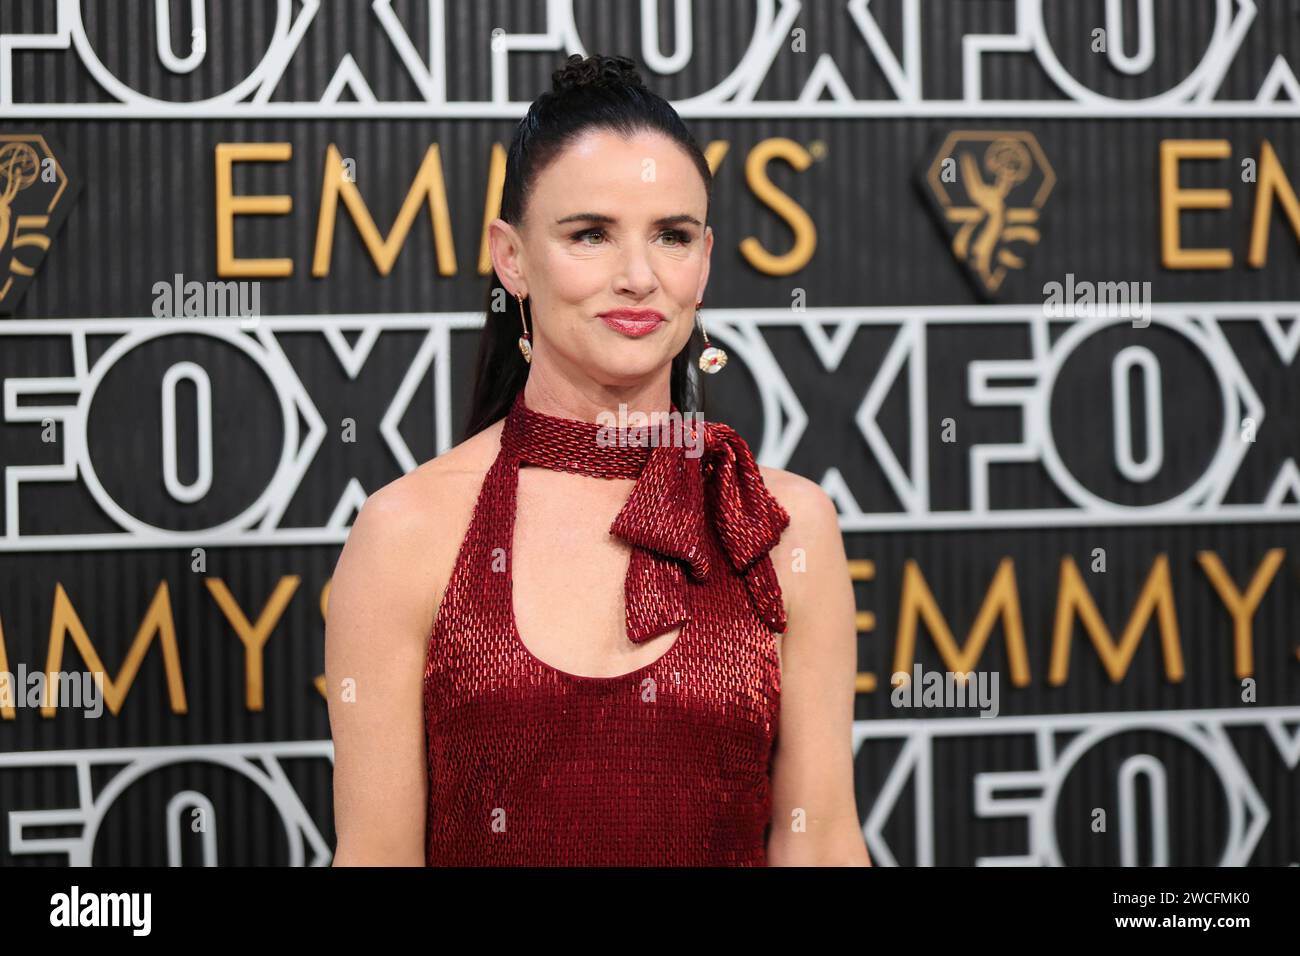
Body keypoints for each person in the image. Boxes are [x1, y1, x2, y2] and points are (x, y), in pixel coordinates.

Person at [326, 53, 869, 866]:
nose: (640, 277)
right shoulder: (405, 531)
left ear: (706, 261)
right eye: (590, 235)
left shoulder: (783, 525)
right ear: (511, 259)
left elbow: (821, 842)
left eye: (672, 237)